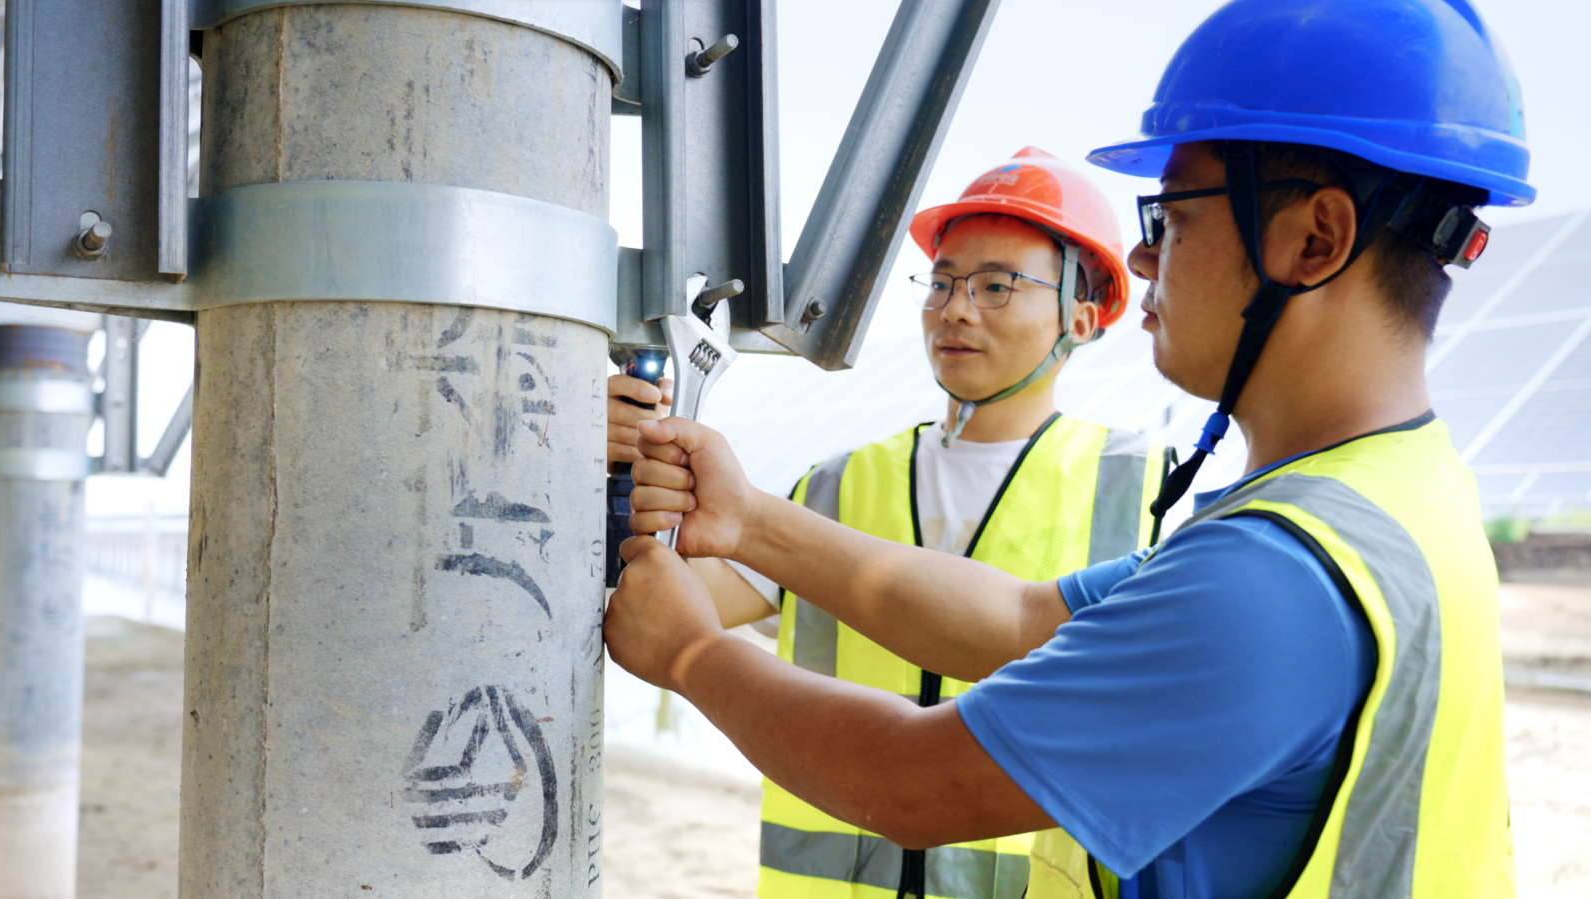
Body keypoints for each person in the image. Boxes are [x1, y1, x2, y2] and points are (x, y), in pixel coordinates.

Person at [604, 1, 1528, 897]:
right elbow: (1015, 621)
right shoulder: (1396, 496)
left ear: (1315, 239)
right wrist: (752, 518)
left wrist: (691, 656)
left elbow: (913, 781)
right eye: (948, 280)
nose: (1142, 259)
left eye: (1173, 218)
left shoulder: (1274, 575)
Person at [607, 148, 1171, 899]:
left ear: (1085, 311)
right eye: (940, 283)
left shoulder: (1153, 495)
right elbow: (658, 597)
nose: (957, 308)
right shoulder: (837, 483)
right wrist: (607, 465)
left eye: (996, 285)